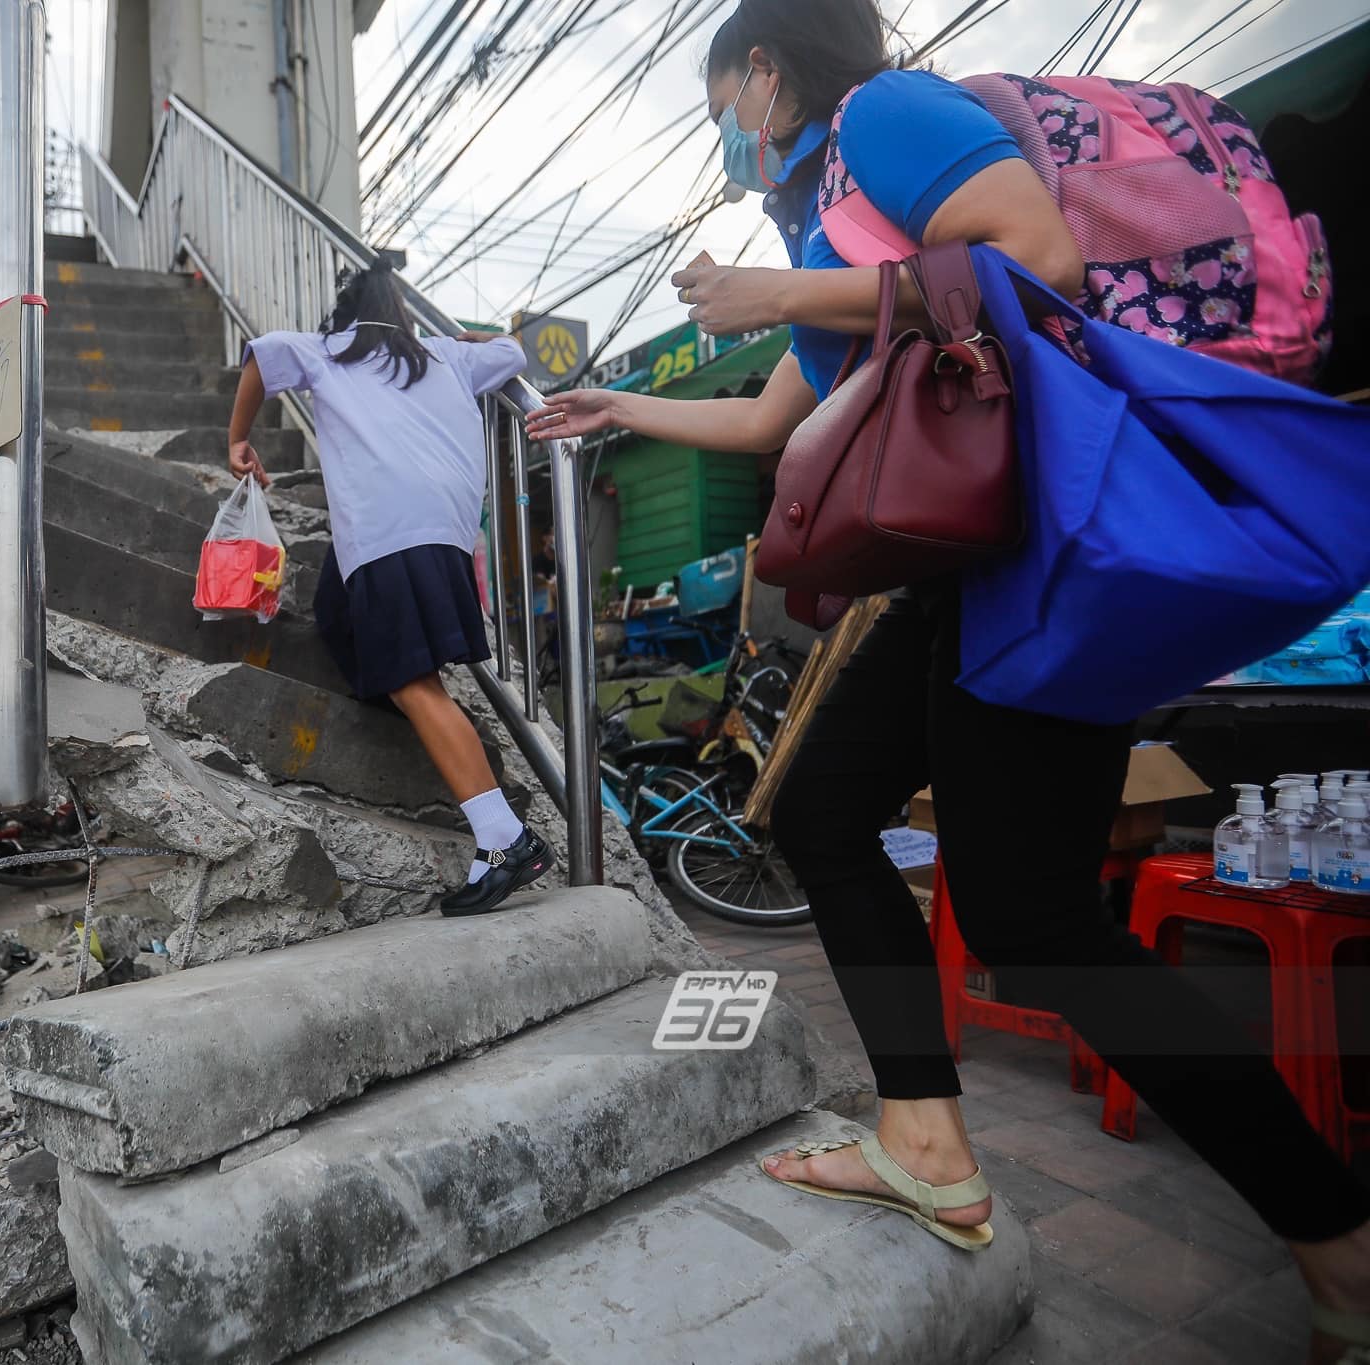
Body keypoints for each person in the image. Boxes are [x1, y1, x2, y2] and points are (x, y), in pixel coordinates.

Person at [527, 0, 1370, 1352]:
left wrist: (772, 294)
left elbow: (1034, 258)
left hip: (1034, 540)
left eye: (720, 100)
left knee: (1034, 918)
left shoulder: (889, 118)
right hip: (955, 569)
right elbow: (766, 418)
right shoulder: (829, 225)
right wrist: (620, 406)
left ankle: (1338, 1242)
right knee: (817, 809)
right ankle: (924, 1134)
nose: (725, 134)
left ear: (765, 74)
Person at [229, 261, 556, 915]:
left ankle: (504, 838)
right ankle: (396, 696)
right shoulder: (443, 356)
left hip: (387, 533)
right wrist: (466, 339)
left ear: (346, 317)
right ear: (403, 316)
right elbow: (516, 350)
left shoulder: (327, 351)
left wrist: (238, 438)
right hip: (443, 533)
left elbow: (260, 360)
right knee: (332, 604)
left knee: (417, 686)